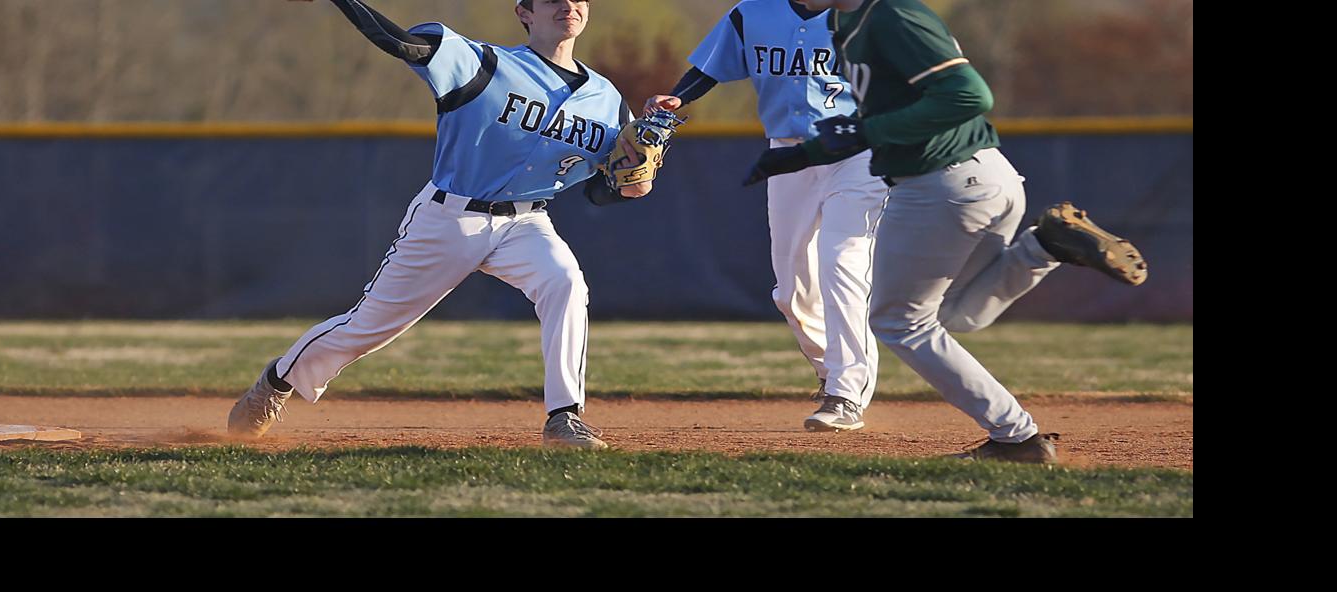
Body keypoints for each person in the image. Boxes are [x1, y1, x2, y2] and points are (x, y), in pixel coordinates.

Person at [230, 0, 657, 449]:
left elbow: (601, 190)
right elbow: (397, 42)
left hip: (528, 221)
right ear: (525, 13)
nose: (568, 5)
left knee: (565, 282)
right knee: (367, 328)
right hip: (450, 217)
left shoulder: (608, 101)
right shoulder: (484, 64)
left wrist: (632, 183)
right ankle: (278, 380)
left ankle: (564, 417)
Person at [747, 0, 1149, 463]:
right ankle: (1043, 245)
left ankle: (1016, 438)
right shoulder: (846, 22)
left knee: (899, 321)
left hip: (943, 184)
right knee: (953, 314)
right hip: (981, 181)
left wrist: (863, 134)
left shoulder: (891, 13)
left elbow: (969, 94)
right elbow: (887, 108)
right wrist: (810, 151)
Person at [645, 1, 884, 432]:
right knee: (791, 290)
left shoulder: (871, 14)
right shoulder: (753, 13)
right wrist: (679, 96)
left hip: (859, 152)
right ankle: (833, 372)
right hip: (789, 151)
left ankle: (847, 392)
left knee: (840, 262)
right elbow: (712, 65)